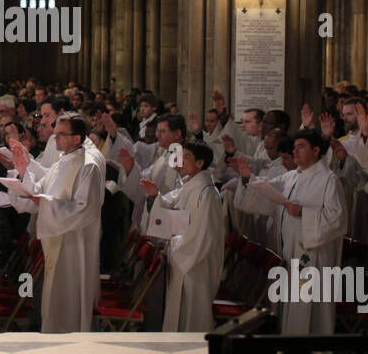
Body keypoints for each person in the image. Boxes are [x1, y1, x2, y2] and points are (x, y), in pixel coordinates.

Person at [233, 128, 347, 332]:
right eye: (294, 147)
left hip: (314, 253)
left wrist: (304, 212)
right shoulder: (292, 177)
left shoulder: (328, 180)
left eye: (301, 146)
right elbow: (266, 191)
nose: (295, 151)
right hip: (290, 250)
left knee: (310, 304)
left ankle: (313, 349)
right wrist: (247, 178)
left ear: (316, 150)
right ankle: (290, 341)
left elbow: (337, 218)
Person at [9, 114, 103, 332]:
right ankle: (53, 334)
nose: (55, 138)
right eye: (55, 133)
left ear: (77, 138)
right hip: (55, 240)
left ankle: (72, 338)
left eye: (61, 134)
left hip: (75, 243)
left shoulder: (88, 166)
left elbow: (84, 208)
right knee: (54, 297)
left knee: (71, 295)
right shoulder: (61, 163)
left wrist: (45, 203)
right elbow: (40, 190)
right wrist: (23, 173)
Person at [142, 141, 223, 331]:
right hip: (183, 260)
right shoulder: (189, 187)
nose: (180, 161)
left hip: (196, 264)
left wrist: (174, 244)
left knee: (193, 314)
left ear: (200, 163)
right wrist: (154, 196)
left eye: (186, 157)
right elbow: (170, 207)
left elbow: (202, 235)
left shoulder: (206, 193)